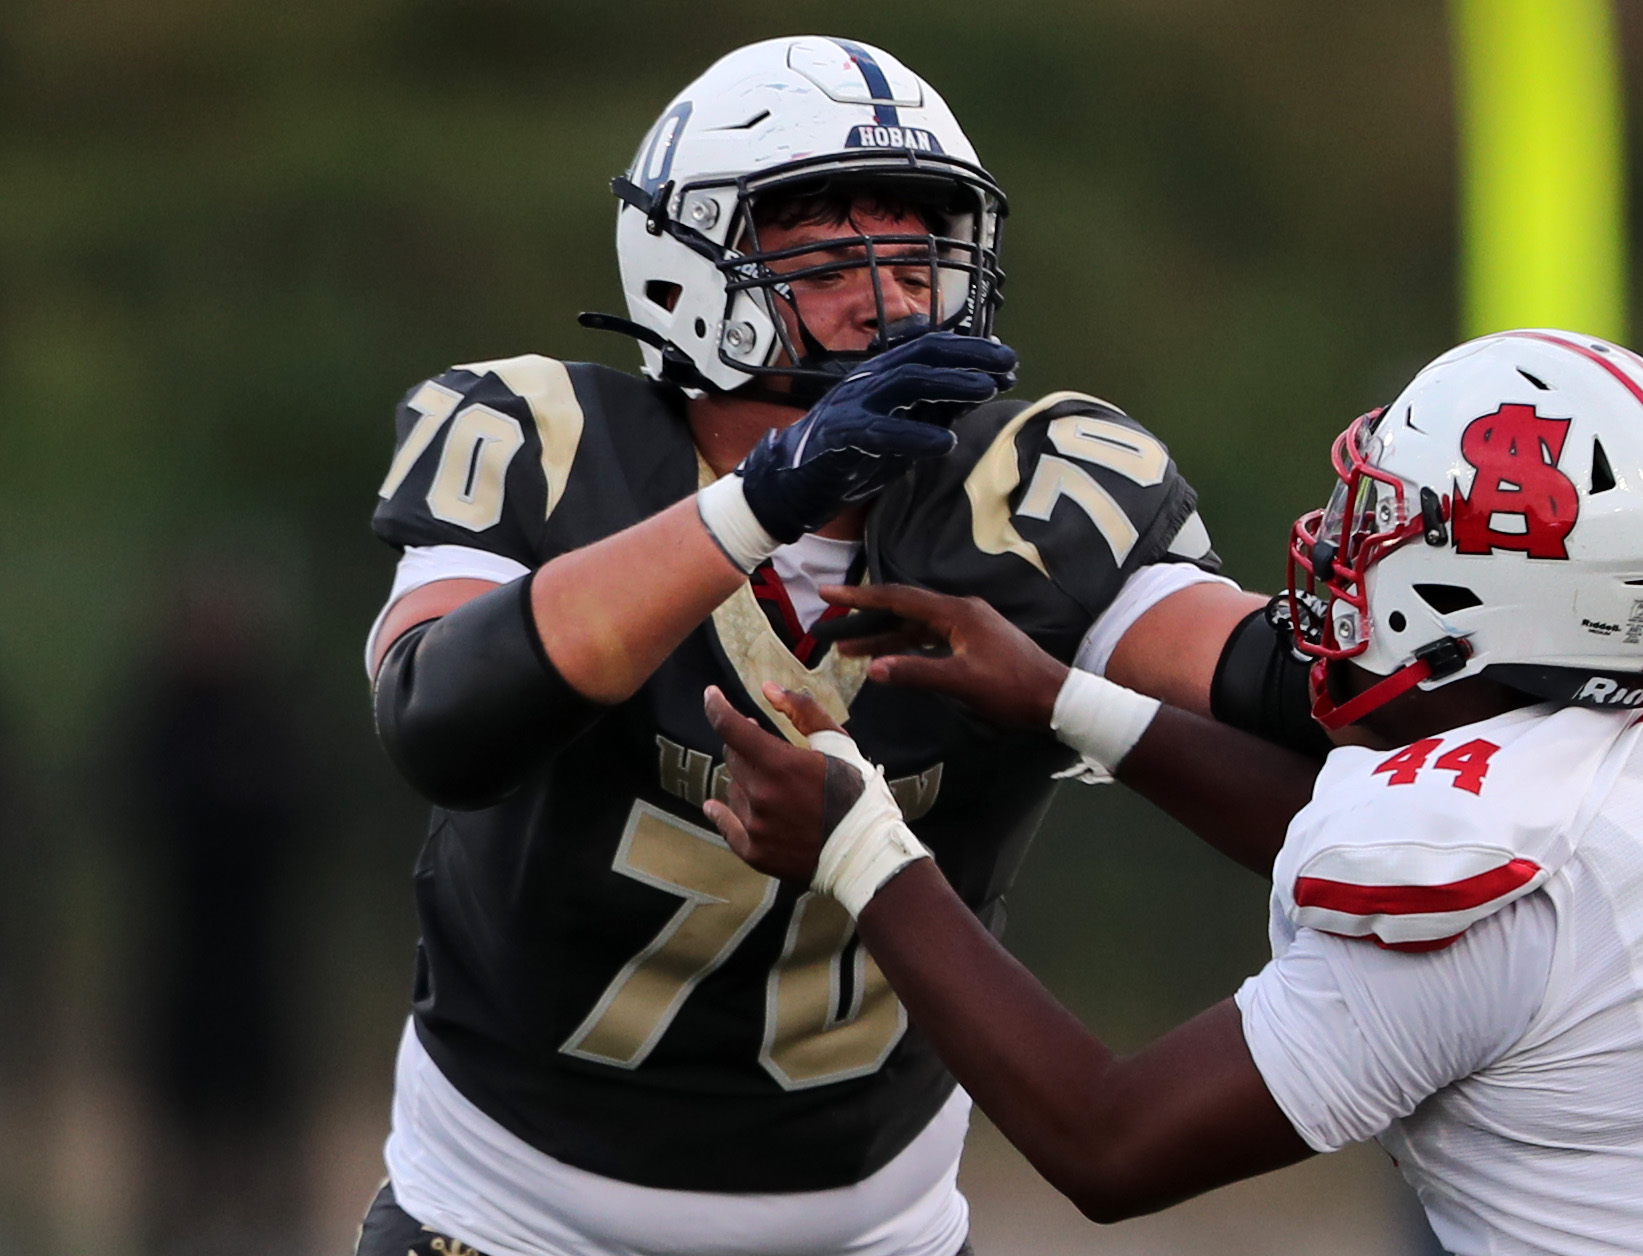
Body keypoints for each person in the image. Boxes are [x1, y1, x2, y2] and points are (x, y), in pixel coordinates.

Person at [702, 329, 1643, 1256]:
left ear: (1482, 605)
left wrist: (859, 847)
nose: (1331, 541)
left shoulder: (1485, 883)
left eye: (1384, 524)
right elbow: (1335, 818)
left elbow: (1108, 1138)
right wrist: (1061, 698)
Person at [356, 34, 1313, 1256]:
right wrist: (760, 501)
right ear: (683, 263)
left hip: (879, 1228)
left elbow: (1271, 690)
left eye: (916, 243)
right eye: (820, 249)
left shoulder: (1031, 489)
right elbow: (439, 722)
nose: (890, 292)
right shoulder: (538, 437)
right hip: (511, 1215)